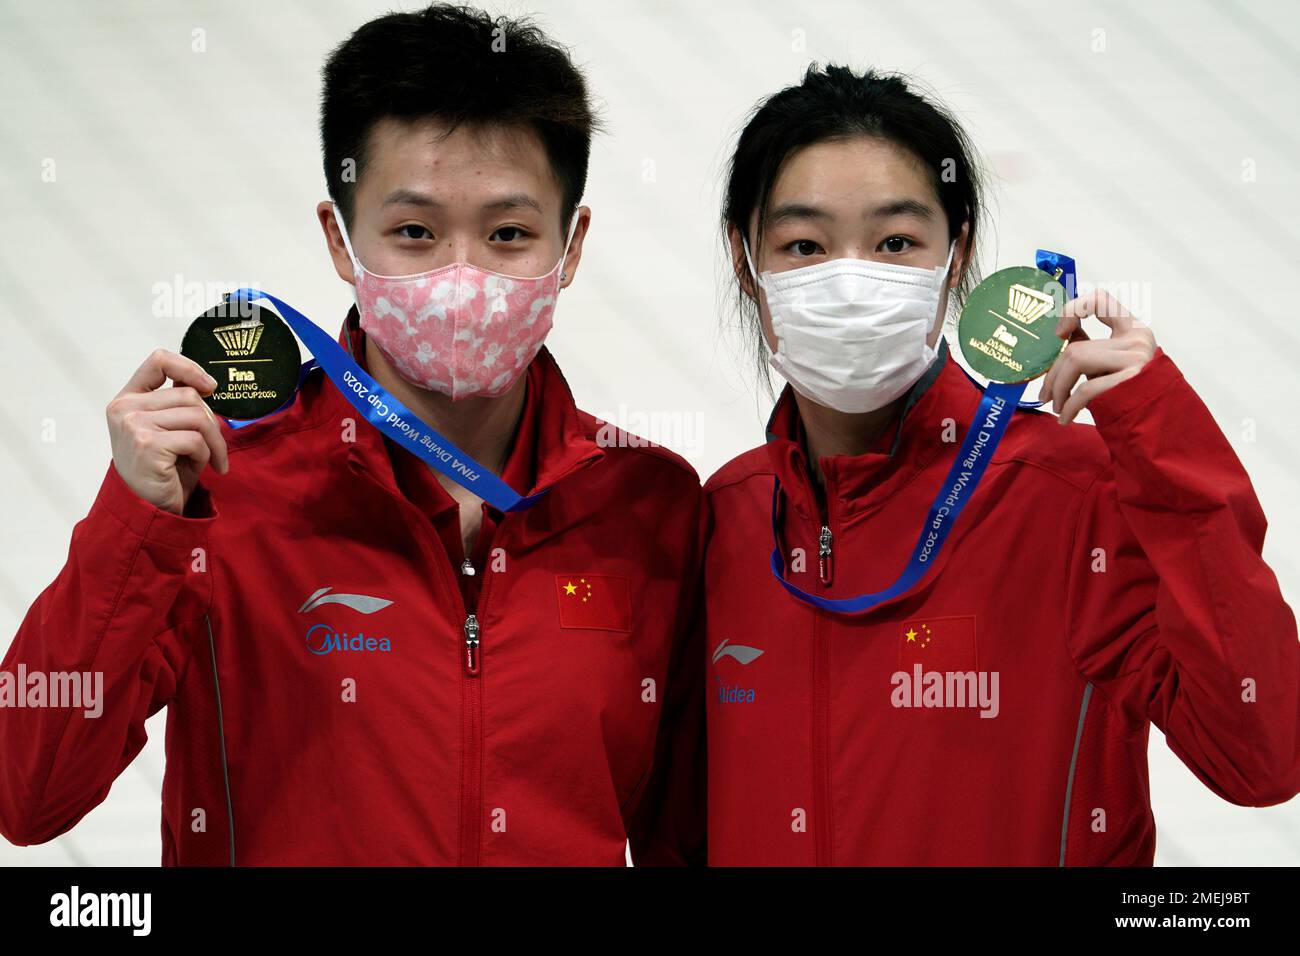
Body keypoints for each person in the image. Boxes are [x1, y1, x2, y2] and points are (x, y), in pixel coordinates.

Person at [0, 3, 705, 867]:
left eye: (509, 234)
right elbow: (26, 793)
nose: (462, 272)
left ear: (573, 244)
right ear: (341, 239)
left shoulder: (647, 506)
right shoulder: (223, 492)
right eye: (414, 232)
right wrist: (135, 524)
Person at [704, 63, 1299, 865]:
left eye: (895, 243)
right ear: (748, 264)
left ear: (958, 258)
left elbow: (1262, 757)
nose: (851, 281)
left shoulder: (1074, 497)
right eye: (803, 245)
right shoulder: (722, 518)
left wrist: (1160, 436)